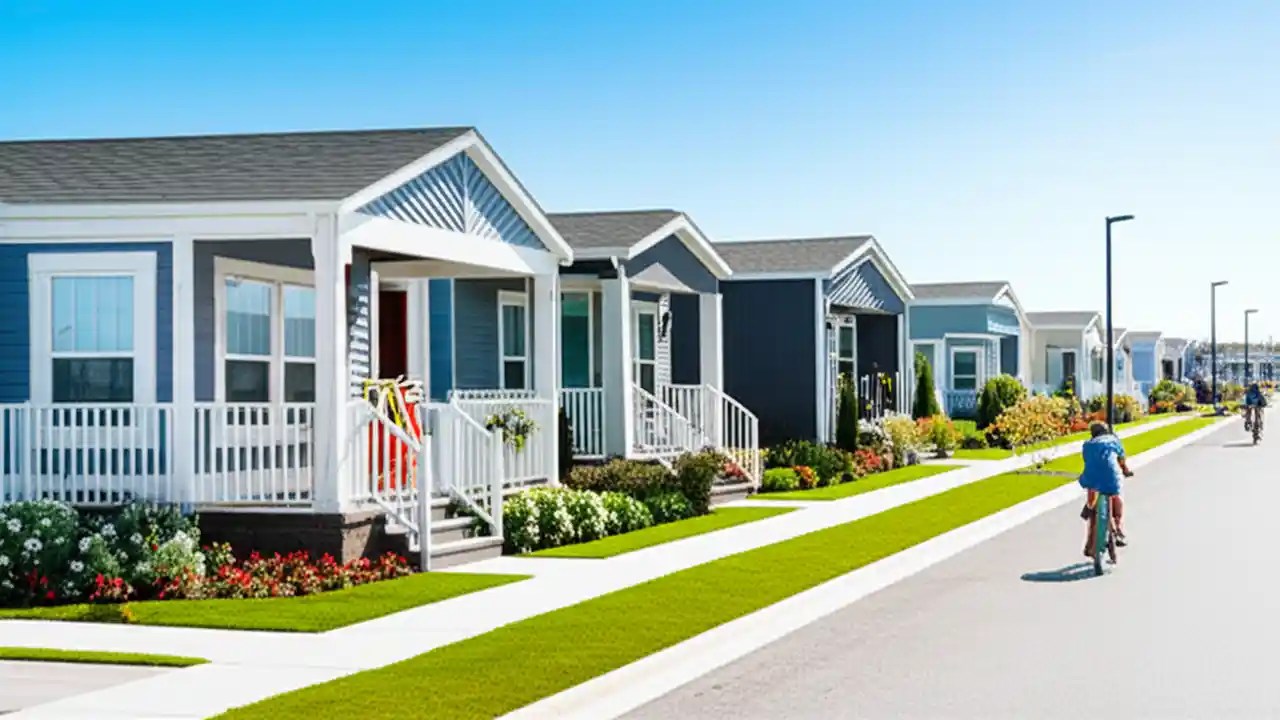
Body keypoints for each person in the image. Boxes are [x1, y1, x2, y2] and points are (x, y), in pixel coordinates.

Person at [1079, 422, 1134, 556]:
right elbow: (1121, 461)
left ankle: (1089, 506)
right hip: (1110, 477)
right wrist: (1126, 471)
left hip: (1091, 478)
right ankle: (1119, 527)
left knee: (1092, 494)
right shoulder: (1113, 441)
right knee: (1116, 494)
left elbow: (1088, 461)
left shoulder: (1087, 445)